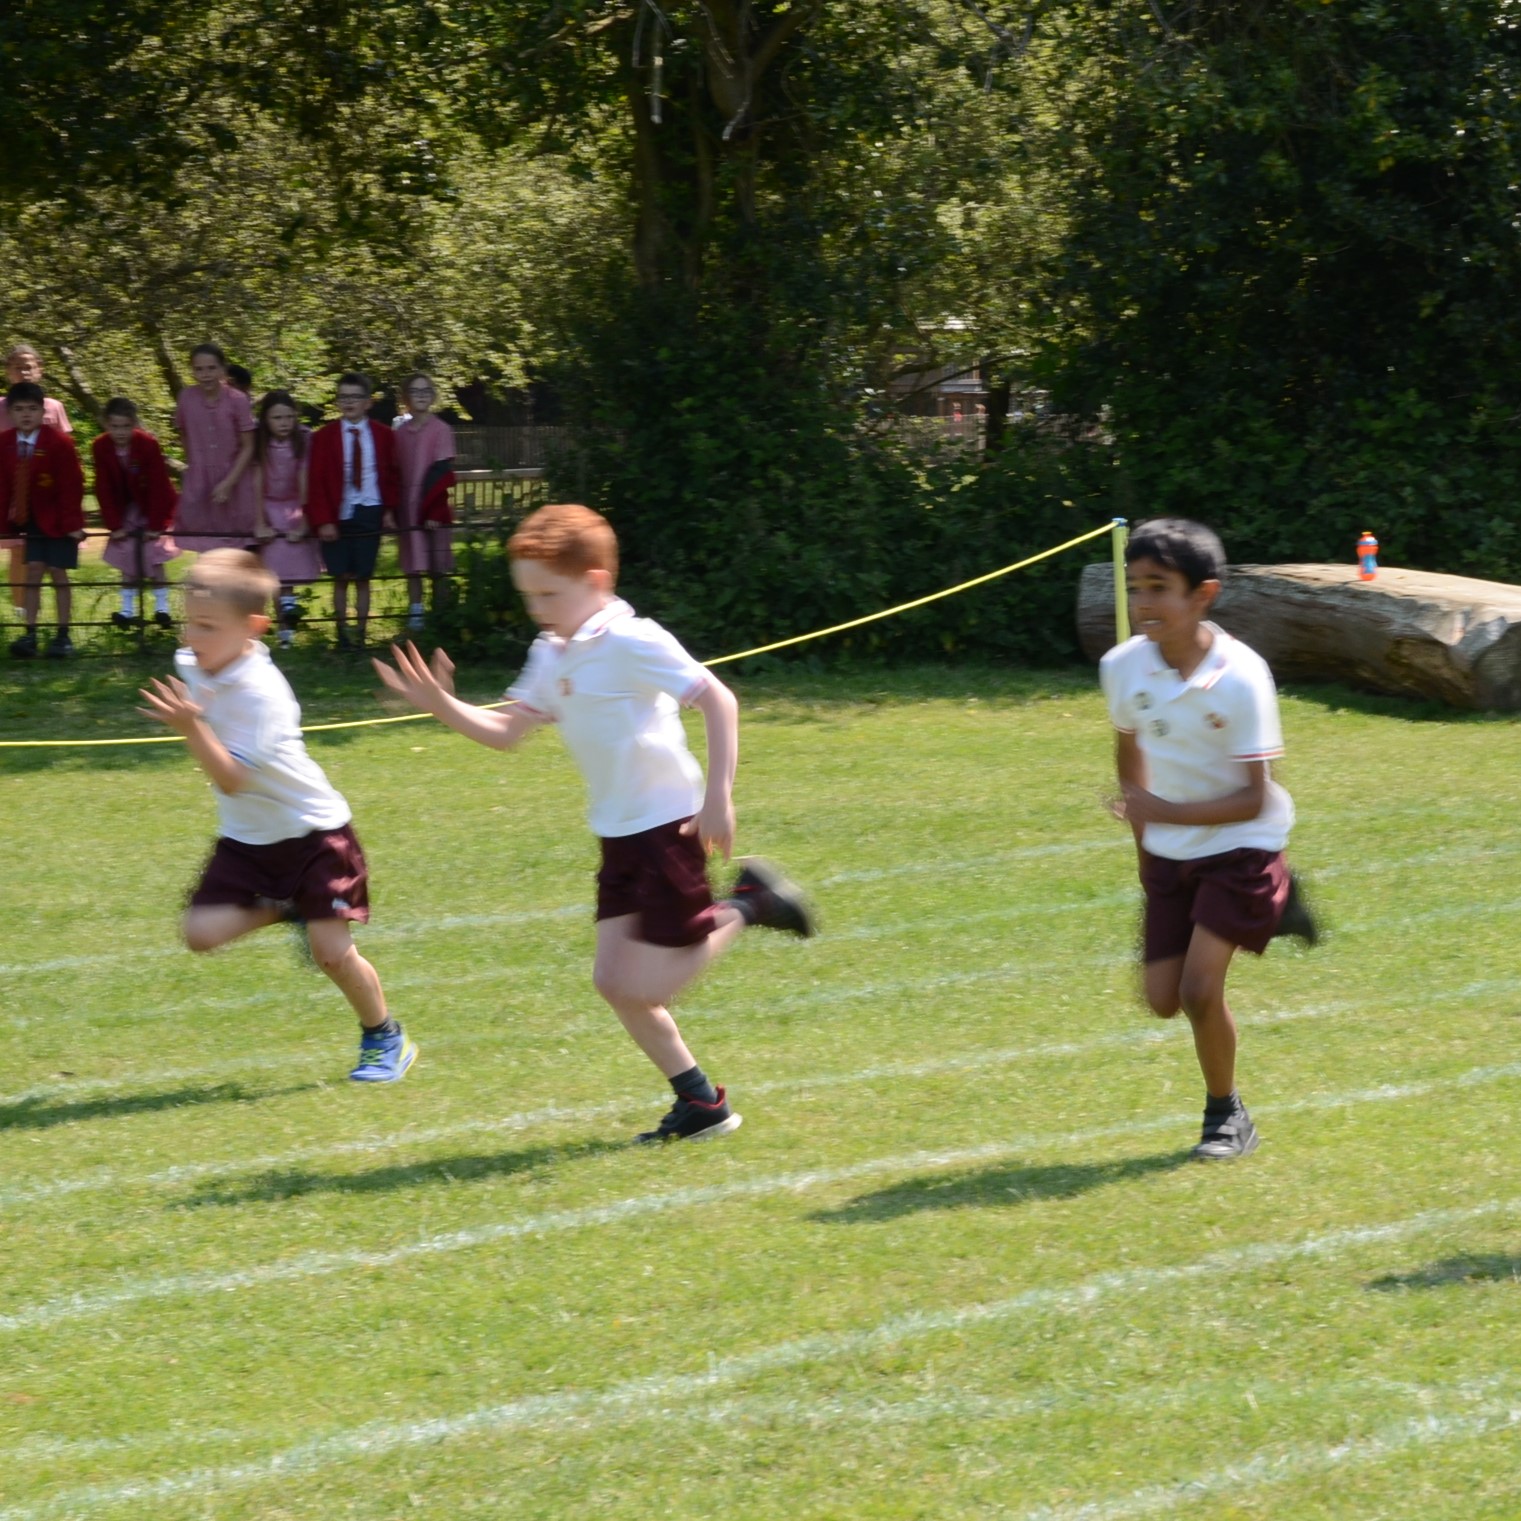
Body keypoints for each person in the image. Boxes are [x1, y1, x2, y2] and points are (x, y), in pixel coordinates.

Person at [373, 503, 815, 1142]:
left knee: (657, 981)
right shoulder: (551, 653)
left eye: (550, 593)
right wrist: (441, 703)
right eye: (529, 596)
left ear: (598, 581)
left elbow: (718, 698)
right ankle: (700, 1104)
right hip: (618, 833)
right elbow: (506, 732)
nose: (538, 608)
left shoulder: (633, 640)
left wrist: (720, 795)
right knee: (614, 981)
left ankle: (751, 902)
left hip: (668, 826)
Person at [138, 549, 416, 1082]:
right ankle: (291, 906)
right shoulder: (194, 664)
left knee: (332, 955)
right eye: (187, 623)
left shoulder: (263, 694)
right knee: (199, 933)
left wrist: (190, 726)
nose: (190, 638)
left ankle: (385, 1038)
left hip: (314, 836)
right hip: (247, 839)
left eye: (206, 627)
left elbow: (232, 778)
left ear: (254, 628)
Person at [1101, 517, 1318, 1162]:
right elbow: (1127, 750)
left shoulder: (1243, 676)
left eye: (1158, 587)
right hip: (1172, 846)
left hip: (1244, 840)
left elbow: (1255, 794)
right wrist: (1146, 836)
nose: (1142, 603)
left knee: (1199, 992)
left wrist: (1163, 811)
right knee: (1162, 1002)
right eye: (1134, 586)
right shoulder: (1122, 667)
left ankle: (1227, 1118)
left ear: (1204, 595)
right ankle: (1278, 910)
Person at [305, 373, 399, 649]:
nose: (349, 402)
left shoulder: (383, 435)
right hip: (338, 512)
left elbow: (392, 476)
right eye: (343, 397)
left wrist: (390, 511)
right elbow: (316, 481)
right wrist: (323, 521)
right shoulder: (325, 437)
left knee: (363, 575)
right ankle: (341, 633)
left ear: (367, 402)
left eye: (355, 397)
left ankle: (361, 633)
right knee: (341, 575)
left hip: (370, 509)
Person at [1, 381, 85, 658]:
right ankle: (30, 633)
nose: (26, 415)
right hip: (31, 520)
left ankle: (63, 636)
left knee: (58, 573)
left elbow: (72, 485)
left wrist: (73, 525)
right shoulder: (4, 443)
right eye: (20, 409)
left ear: (43, 412)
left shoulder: (59, 442)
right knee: (33, 570)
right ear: (10, 413)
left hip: (59, 518)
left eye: (33, 409)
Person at [0, 343, 73, 622]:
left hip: (47, 493)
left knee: (50, 560)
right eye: (17, 367)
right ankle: (23, 610)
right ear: (8, 372)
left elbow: (66, 448)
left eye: (29, 366)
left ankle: (58, 623)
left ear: (40, 370)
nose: (24, 371)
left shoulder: (53, 406)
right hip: (13, 489)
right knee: (18, 552)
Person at [93, 397, 179, 630]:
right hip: (125, 509)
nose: (120, 432)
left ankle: (162, 608)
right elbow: (103, 488)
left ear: (134, 424)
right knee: (126, 556)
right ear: (106, 425)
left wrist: (156, 525)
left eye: (125, 426)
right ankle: (127, 610)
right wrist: (114, 525)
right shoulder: (100, 446)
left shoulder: (148, 444)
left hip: (151, 506)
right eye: (114, 426)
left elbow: (159, 486)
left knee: (155, 554)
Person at [251, 390, 320, 647]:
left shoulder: (304, 439)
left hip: (294, 505)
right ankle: (282, 629)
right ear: (266, 420)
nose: (284, 423)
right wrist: (259, 521)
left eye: (289, 417)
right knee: (274, 570)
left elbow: (304, 476)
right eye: (277, 417)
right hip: (268, 506)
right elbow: (257, 481)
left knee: (290, 566)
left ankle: (289, 619)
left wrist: (303, 518)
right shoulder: (259, 442)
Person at [173, 344, 257, 554]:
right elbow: (184, 433)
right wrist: (195, 467)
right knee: (206, 546)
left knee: (239, 547)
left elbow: (249, 446)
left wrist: (229, 483)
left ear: (222, 369)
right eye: (199, 369)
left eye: (211, 368)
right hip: (200, 479)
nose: (205, 374)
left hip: (235, 478)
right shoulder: (186, 398)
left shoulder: (237, 399)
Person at [392, 373, 456, 631]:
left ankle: (442, 614)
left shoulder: (441, 430)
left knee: (437, 563)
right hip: (407, 504)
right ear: (406, 397)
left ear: (433, 395)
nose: (420, 395)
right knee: (413, 562)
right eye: (415, 391)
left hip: (431, 503)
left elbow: (442, 474)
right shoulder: (401, 432)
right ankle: (415, 612)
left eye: (426, 390)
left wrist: (435, 510)